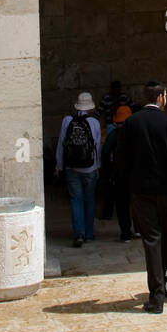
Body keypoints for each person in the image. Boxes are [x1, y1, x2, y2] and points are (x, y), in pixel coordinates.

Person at [117, 80, 167, 313]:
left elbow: (122, 160)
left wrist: (130, 185)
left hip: (142, 192)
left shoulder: (131, 123)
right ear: (161, 97)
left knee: (151, 240)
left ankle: (156, 296)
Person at [55, 91, 102, 248]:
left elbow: (62, 143)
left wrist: (59, 165)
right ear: (90, 107)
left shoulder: (67, 120)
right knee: (89, 200)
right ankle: (89, 233)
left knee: (76, 200)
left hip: (71, 168)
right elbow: (96, 147)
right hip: (89, 168)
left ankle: (79, 234)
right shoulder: (94, 122)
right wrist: (97, 167)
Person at [99, 104, 134, 240]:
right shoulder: (135, 132)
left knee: (122, 204)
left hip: (119, 173)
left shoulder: (114, 134)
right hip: (136, 173)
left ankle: (126, 233)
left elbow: (106, 152)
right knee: (138, 202)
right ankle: (139, 229)